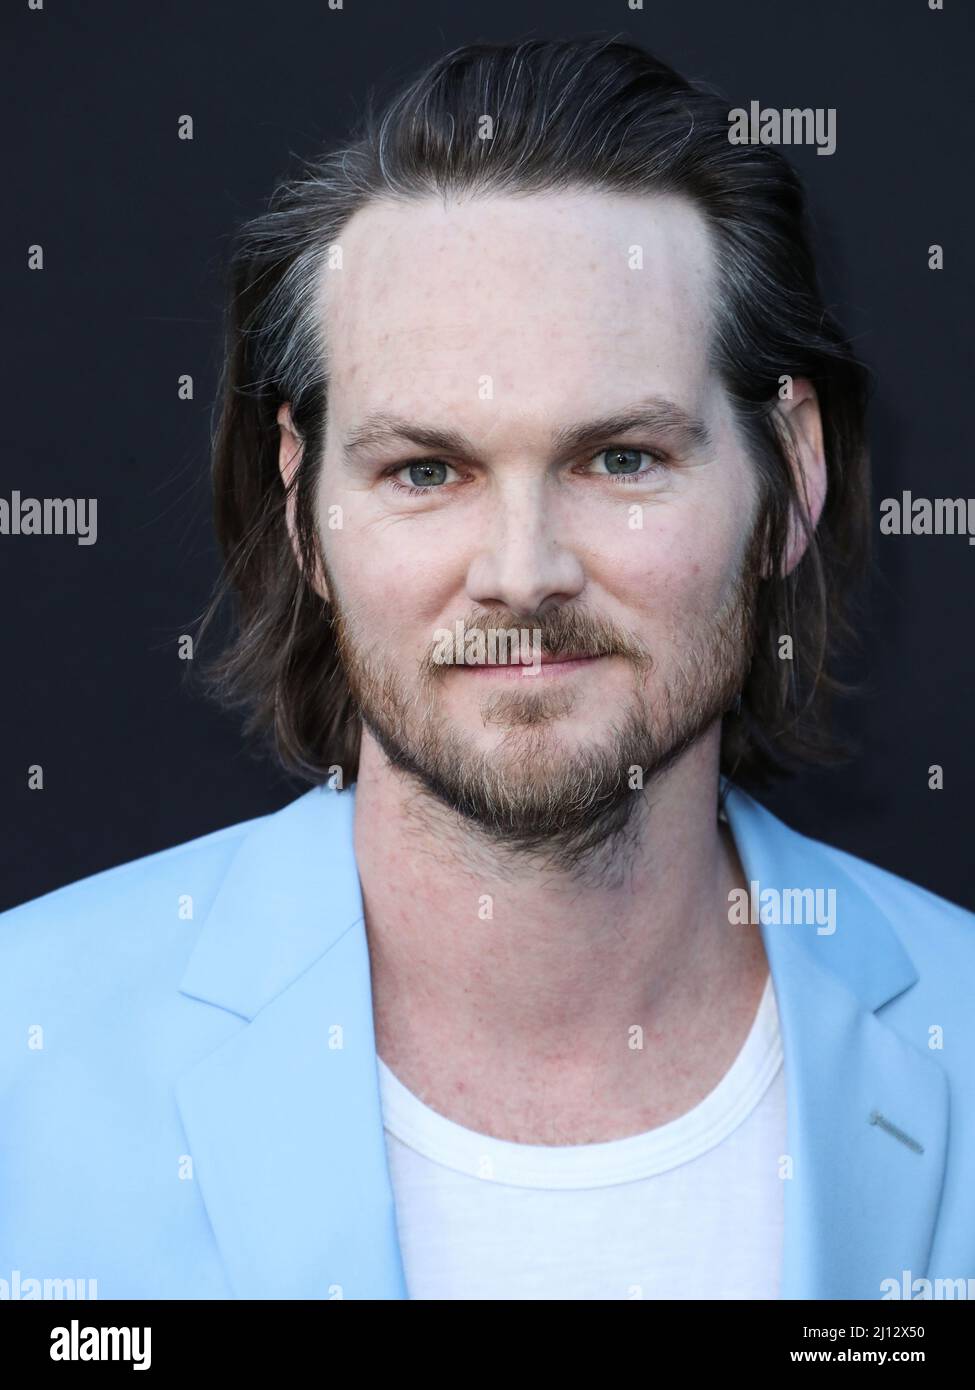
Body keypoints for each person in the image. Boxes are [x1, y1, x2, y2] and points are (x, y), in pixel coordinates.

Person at [2, 35, 973, 1303]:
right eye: (426, 471)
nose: (522, 573)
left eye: (621, 457)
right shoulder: (26, 1056)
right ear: (304, 509)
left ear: (791, 474)